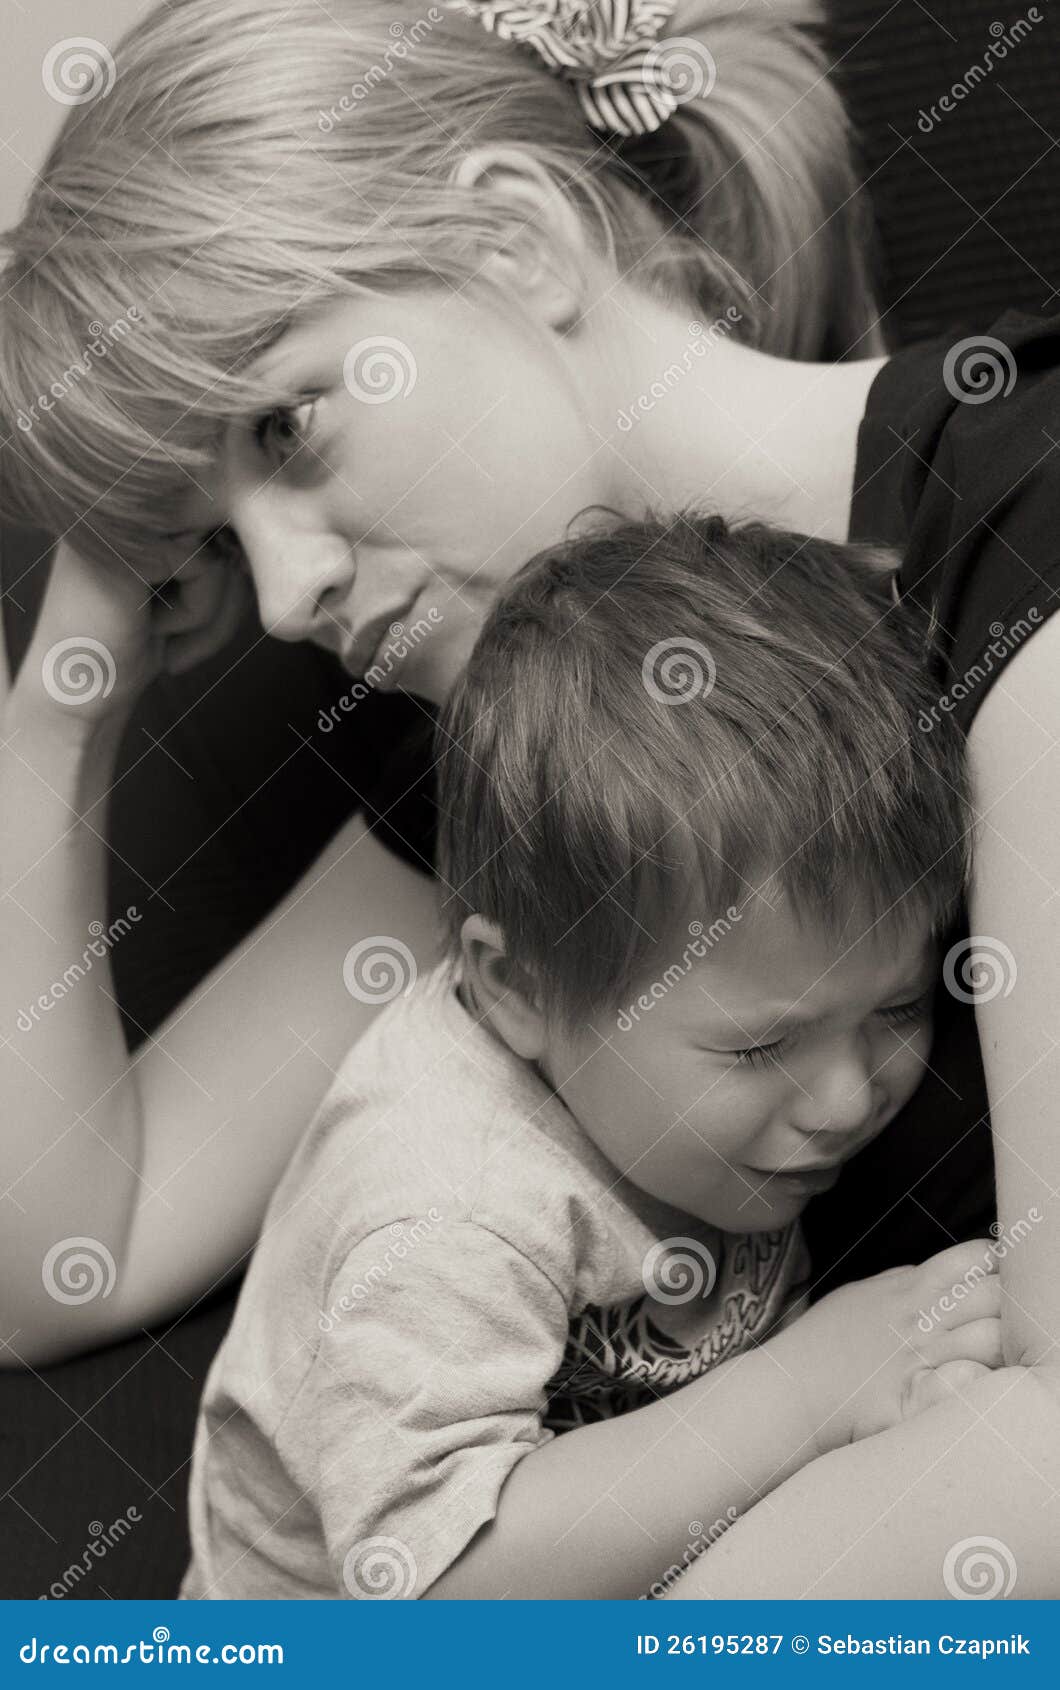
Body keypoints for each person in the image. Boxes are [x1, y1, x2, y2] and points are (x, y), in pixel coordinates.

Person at [182, 513, 1001, 1599]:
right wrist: (812, 1388)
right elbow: (440, 1600)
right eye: (760, 1045)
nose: (851, 1098)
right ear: (519, 990)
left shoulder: (670, 1057)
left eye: (898, 1006)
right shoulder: (443, 1209)